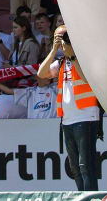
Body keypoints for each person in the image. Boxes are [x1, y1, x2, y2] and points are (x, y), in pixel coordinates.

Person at [36, 25, 101, 190]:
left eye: (64, 38)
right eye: (58, 38)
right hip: (68, 120)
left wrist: (72, 55)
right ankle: (82, 200)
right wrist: (53, 50)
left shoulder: (84, 58)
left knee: (86, 165)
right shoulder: (60, 63)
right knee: (75, 168)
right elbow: (41, 75)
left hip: (86, 116)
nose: (62, 42)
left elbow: (87, 79)